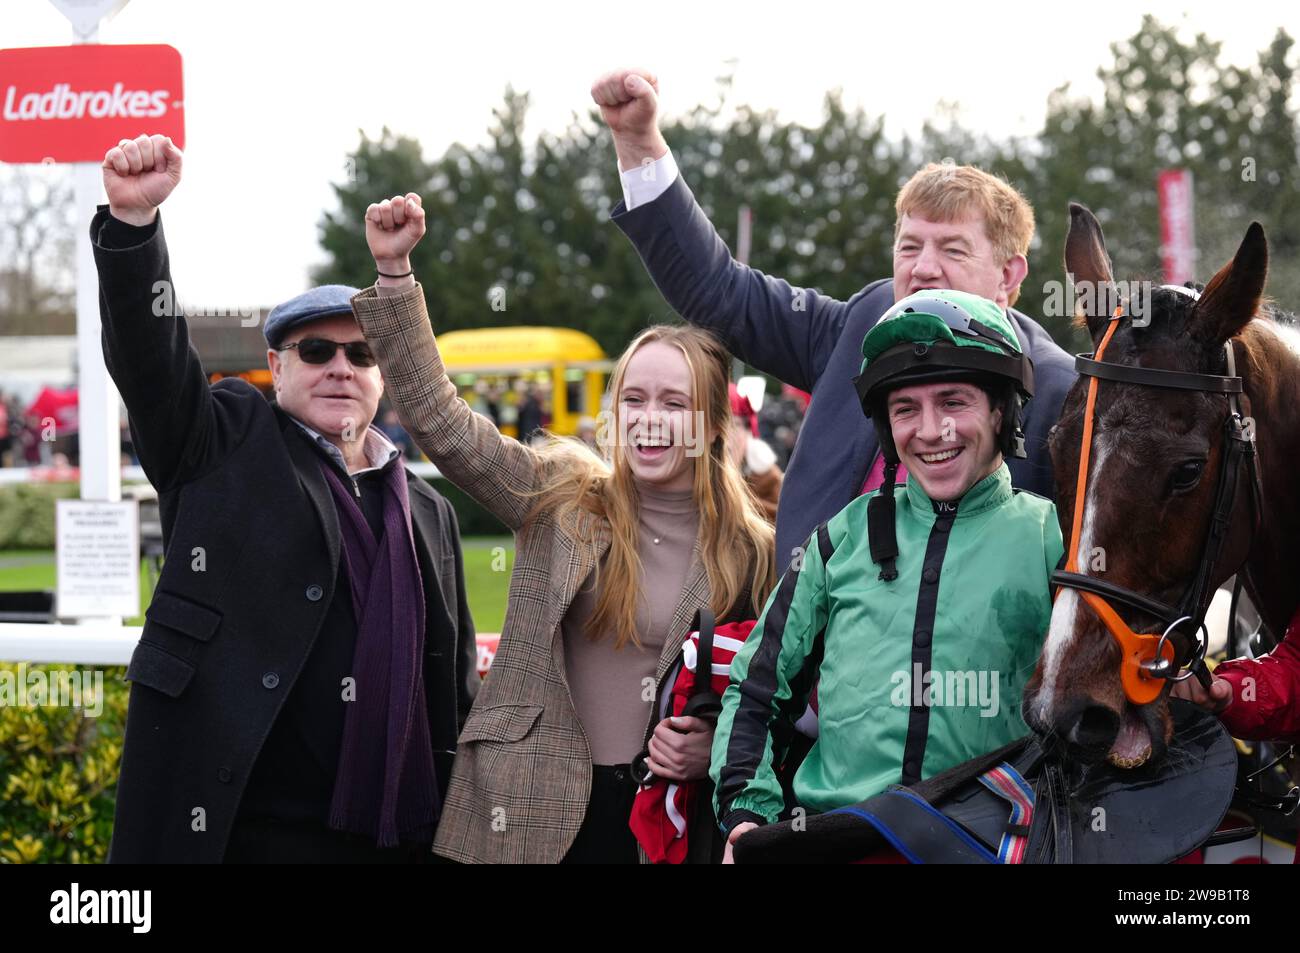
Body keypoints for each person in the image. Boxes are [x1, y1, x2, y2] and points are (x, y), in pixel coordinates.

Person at [353, 191, 775, 863]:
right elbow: (440, 420)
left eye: (674, 402)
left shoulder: (753, 549)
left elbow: (773, 696)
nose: (648, 418)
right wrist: (396, 272)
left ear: (712, 425)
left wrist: (713, 746)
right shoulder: (558, 496)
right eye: (632, 398)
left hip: (666, 823)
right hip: (525, 811)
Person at [94, 135, 478, 863]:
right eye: (315, 350)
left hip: (393, 837)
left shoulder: (430, 513)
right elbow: (152, 364)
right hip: (241, 829)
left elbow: (449, 697)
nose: (341, 366)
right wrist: (134, 226)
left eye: (362, 353)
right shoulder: (226, 440)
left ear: (383, 372)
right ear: (275, 362)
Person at [591, 68, 1077, 570]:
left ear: (1008, 273)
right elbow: (720, 292)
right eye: (909, 247)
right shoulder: (861, 325)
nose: (923, 267)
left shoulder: (1060, 389)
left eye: (952, 249)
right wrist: (637, 140)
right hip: (808, 642)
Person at [709, 290, 1063, 862]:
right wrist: (747, 816)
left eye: (954, 402)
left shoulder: (1053, 540)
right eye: (905, 409)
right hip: (838, 841)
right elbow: (758, 686)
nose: (931, 430)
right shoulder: (840, 537)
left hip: (991, 845)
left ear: (1001, 410)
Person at [726, 383, 782, 522]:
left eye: (734, 424)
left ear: (747, 432)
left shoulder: (767, 479)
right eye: (715, 424)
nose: (725, 436)